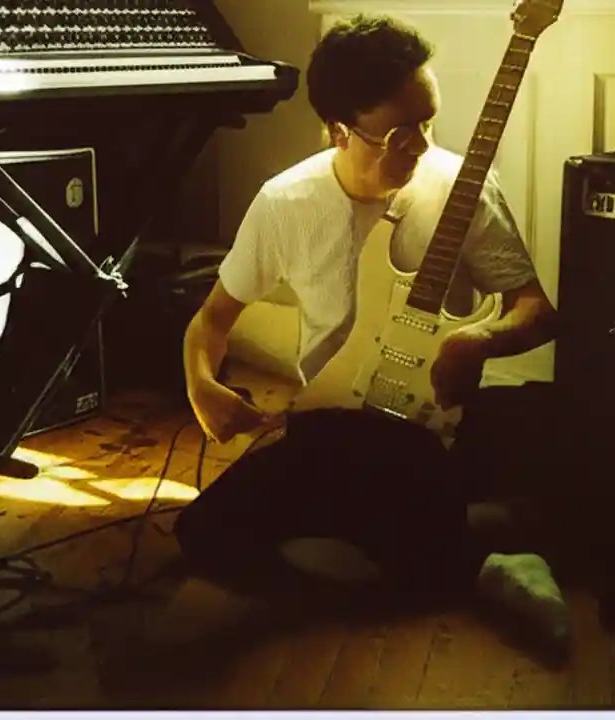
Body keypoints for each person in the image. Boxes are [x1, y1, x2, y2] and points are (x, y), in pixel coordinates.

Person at [174, 12, 571, 650]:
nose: (420, 146)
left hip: (427, 432)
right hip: (330, 425)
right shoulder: (285, 202)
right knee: (201, 532)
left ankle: (390, 554)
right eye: (398, 135)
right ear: (339, 130)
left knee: (384, 495)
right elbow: (212, 319)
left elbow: (537, 309)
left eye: (427, 124)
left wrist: (480, 340)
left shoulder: (461, 187)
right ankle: (468, 549)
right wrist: (202, 386)